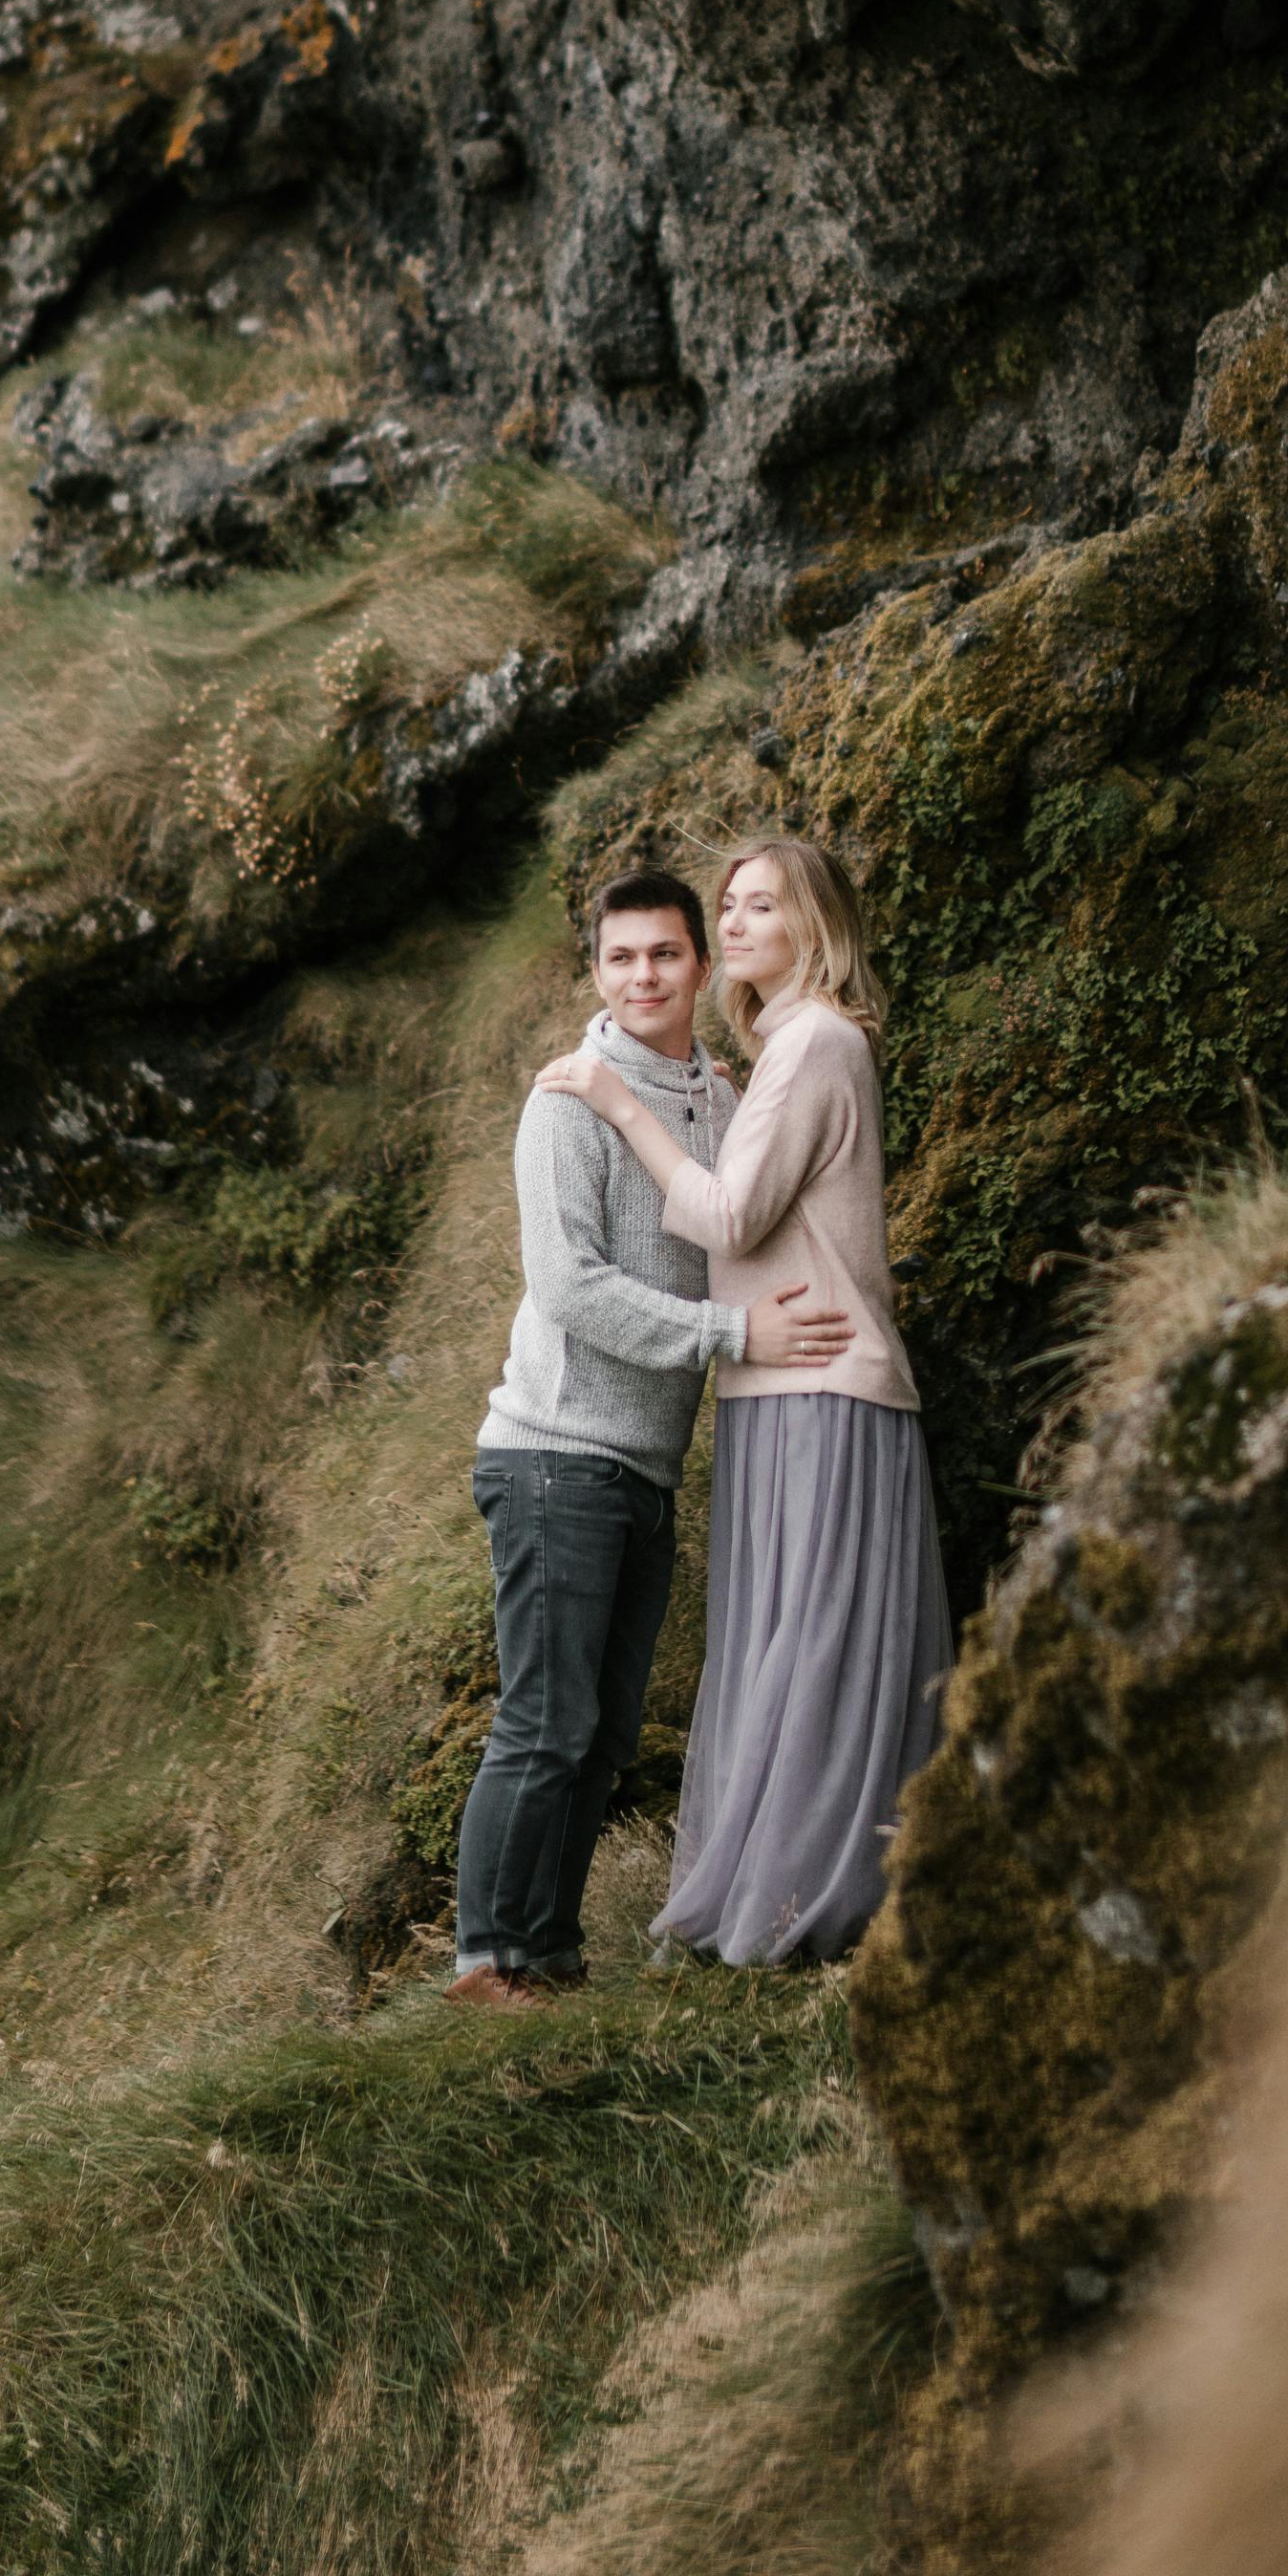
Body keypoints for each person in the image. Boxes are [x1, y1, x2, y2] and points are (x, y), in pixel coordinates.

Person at [532, 836, 952, 1968]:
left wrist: (621, 1103)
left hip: (822, 1377)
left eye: (761, 903)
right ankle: (782, 1881)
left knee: (813, 1641)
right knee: (783, 1638)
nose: (737, 918)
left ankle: (803, 1892)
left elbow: (728, 1215)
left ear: (813, 923)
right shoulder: (778, 1051)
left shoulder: (814, 1040)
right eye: (730, 902)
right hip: (775, 1382)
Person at [450, 865, 852, 2010]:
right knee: (546, 1718)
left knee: (605, 1731)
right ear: (595, 970)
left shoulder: (718, 1098)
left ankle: (547, 1954)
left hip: (641, 1463)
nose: (643, 976)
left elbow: (749, 1221)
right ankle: (485, 1958)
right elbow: (570, 1287)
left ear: (700, 963)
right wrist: (733, 1333)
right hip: (552, 1451)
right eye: (620, 957)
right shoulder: (566, 1101)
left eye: (664, 953)